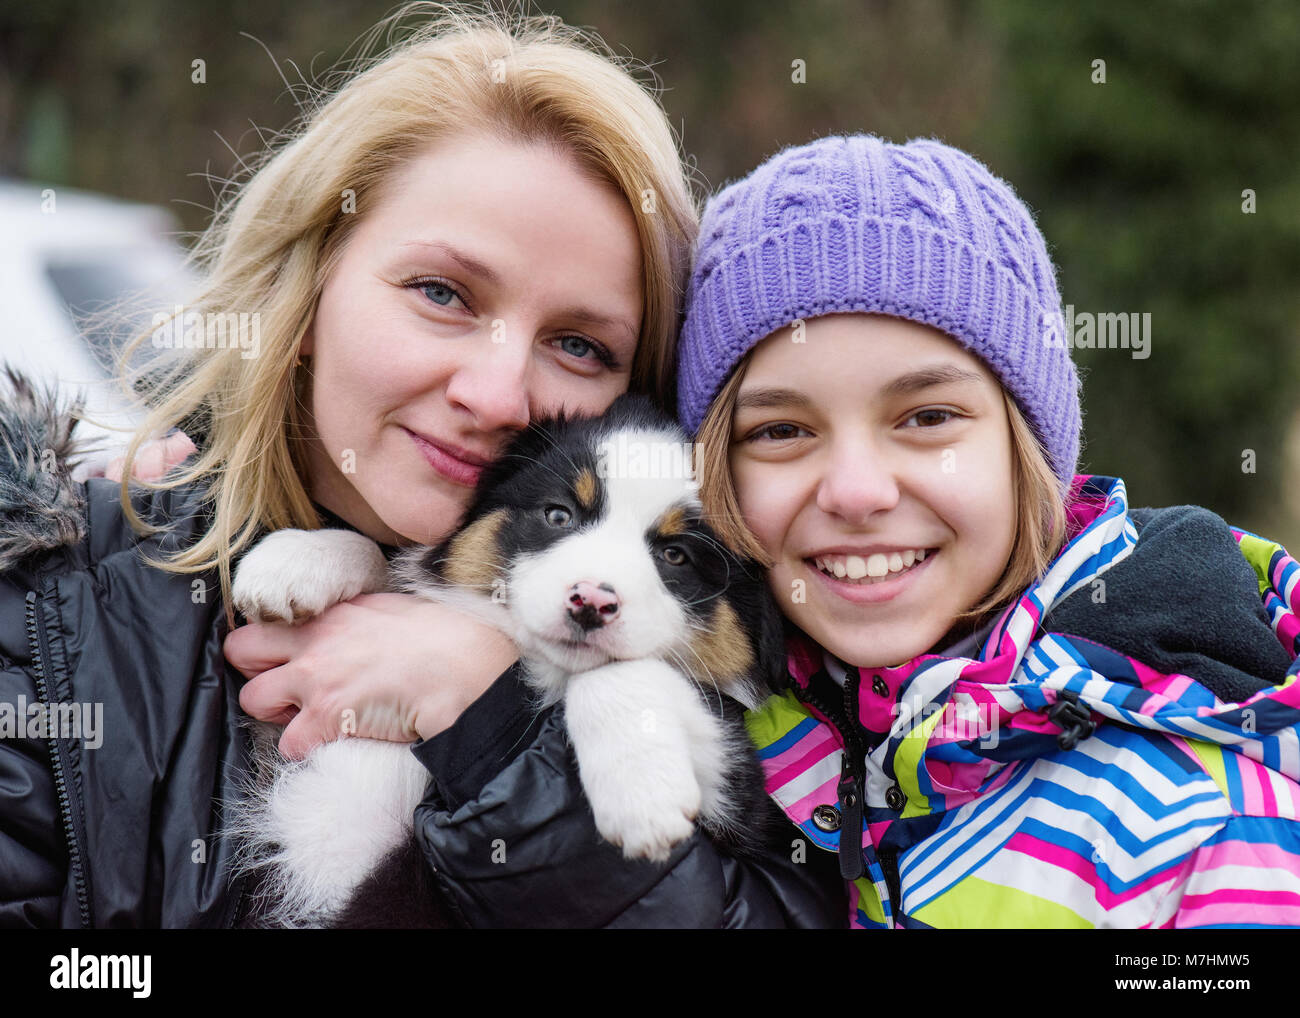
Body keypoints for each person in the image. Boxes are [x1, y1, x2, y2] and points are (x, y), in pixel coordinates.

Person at [0, 8, 843, 928]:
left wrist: (496, 720)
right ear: (309, 282)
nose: (495, 395)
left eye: (579, 344)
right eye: (441, 293)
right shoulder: (45, 619)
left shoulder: (795, 679)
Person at [677, 133, 1300, 928]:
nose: (858, 492)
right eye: (780, 431)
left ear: (1026, 452)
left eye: (928, 418)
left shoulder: (1194, 823)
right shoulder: (727, 748)